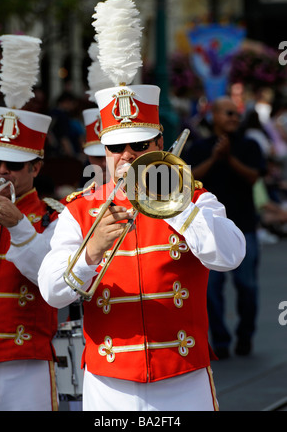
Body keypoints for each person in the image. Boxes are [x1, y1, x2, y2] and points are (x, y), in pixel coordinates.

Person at [38, 80, 246, 411]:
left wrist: (176, 204)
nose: (127, 156)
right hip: (109, 385)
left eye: (139, 144)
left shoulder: (193, 198)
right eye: (115, 147)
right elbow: (51, 292)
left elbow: (232, 255)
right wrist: (90, 252)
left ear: (160, 142)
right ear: (104, 152)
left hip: (183, 377)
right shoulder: (79, 209)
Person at [0, 35, 64, 411]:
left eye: (14, 166)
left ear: (35, 168)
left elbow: (51, 282)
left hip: (26, 361)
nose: (2, 173)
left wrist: (20, 226)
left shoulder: (54, 215)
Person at [184, 96, 266, 359]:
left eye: (236, 114)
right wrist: (214, 158)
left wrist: (228, 158)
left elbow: (254, 177)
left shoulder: (249, 145)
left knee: (247, 287)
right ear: (214, 116)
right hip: (208, 231)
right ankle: (220, 340)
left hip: (245, 227)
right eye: (228, 113)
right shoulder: (199, 148)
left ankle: (245, 337)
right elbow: (188, 180)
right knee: (211, 290)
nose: (234, 118)